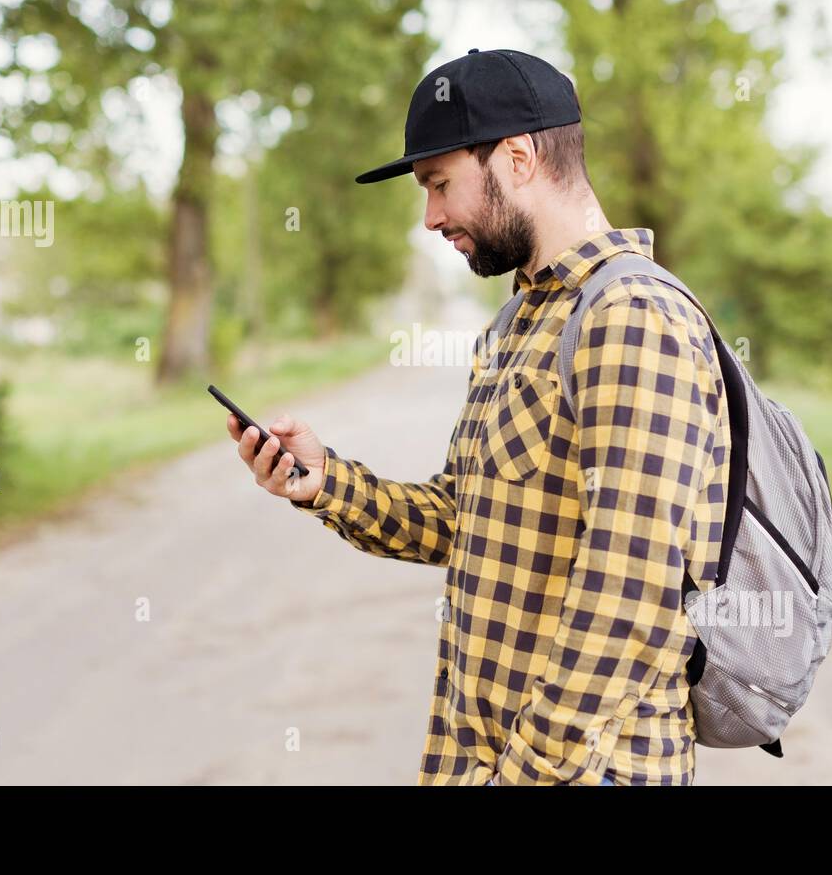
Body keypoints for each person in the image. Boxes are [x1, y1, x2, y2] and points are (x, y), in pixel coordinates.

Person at [225, 48, 730, 786]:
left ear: (518, 156)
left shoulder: (633, 318)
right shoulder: (514, 328)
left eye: (439, 185)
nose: (430, 217)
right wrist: (325, 481)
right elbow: (464, 521)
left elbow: (631, 594)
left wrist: (521, 774)